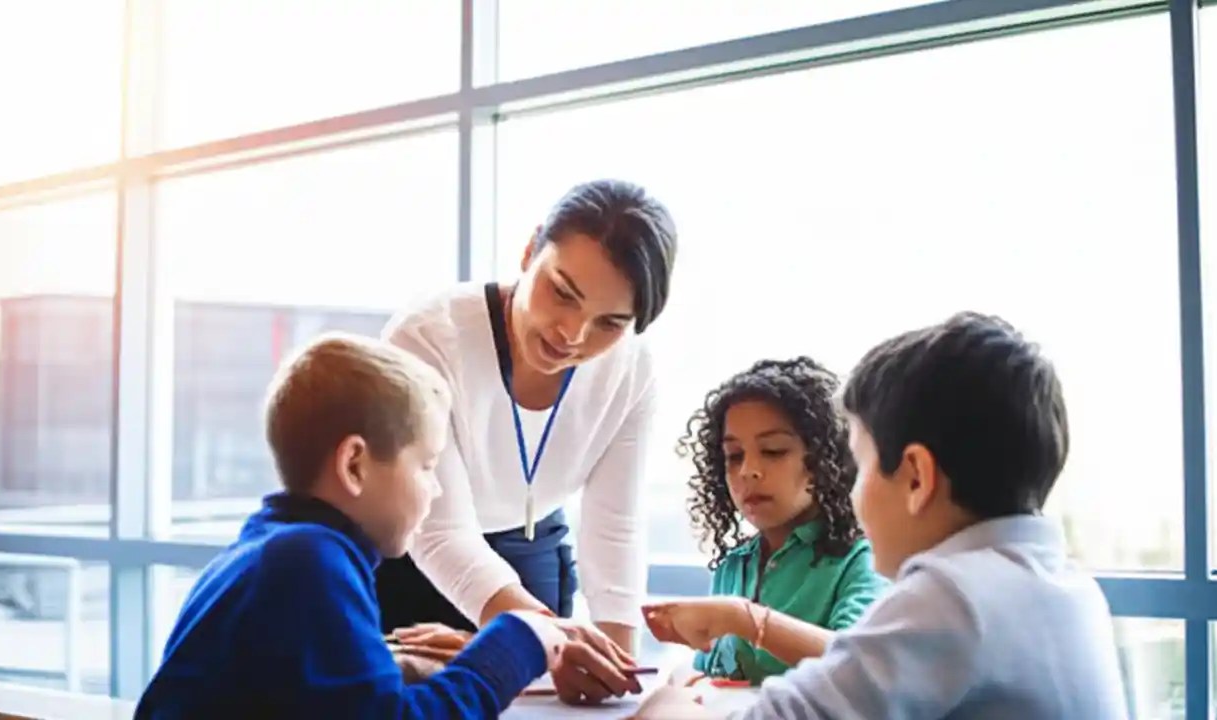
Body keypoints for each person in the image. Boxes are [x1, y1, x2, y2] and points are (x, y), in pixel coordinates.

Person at [639, 312, 1129, 719]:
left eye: (861, 466)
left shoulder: (953, 595)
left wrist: (668, 707)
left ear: (916, 477)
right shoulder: (1071, 590)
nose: (853, 494)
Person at [135, 333, 639, 719]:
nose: (435, 489)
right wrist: (522, 637)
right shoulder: (309, 563)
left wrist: (408, 666)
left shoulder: (265, 552)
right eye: (426, 466)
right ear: (355, 464)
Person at [375, 179, 677, 705]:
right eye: (562, 292)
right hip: (415, 551)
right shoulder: (427, 336)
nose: (572, 335)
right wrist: (550, 637)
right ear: (529, 250)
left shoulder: (632, 371)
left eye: (610, 322)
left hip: (531, 544)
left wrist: (618, 674)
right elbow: (440, 530)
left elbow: (616, 525)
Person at [661, 357, 885, 683]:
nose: (747, 470)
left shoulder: (862, 561)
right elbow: (712, 672)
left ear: (826, 458)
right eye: (734, 456)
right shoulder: (733, 566)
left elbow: (857, 664)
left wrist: (746, 619)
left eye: (774, 450)